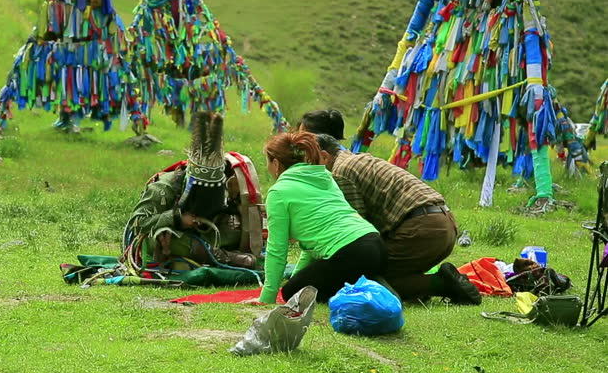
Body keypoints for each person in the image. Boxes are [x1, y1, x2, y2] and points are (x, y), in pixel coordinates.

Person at [315, 133, 481, 305]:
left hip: (422, 229)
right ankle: (422, 286)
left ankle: (443, 284)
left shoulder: (340, 172)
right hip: (444, 222)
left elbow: (357, 231)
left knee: (369, 281)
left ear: (325, 156)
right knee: (382, 267)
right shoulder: (359, 159)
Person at [259, 132, 387, 304]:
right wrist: (299, 277)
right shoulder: (325, 176)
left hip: (349, 253)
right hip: (375, 244)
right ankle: (370, 285)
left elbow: (277, 249)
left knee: (292, 292)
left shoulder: (278, 192)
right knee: (298, 284)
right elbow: (311, 247)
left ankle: (363, 292)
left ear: (275, 163)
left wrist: (267, 297)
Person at [124, 112, 260, 270]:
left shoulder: (225, 182)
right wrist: (177, 218)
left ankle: (200, 256)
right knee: (163, 237)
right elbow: (138, 224)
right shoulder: (163, 188)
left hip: (209, 234)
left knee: (235, 229)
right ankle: (224, 258)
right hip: (177, 235)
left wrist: (236, 207)